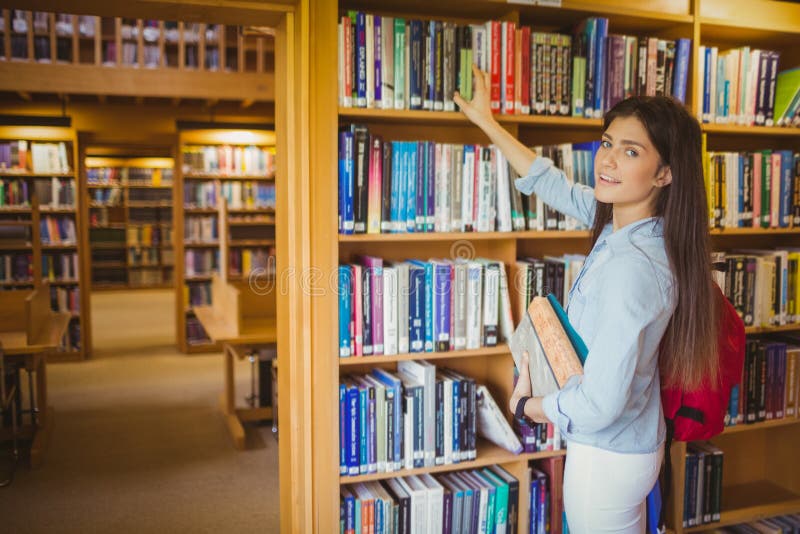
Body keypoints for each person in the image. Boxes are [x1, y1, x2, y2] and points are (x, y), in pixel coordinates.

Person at [454, 64, 720, 533]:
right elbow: (551, 182)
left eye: (630, 150)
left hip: (607, 458)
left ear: (664, 174)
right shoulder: (632, 226)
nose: (608, 160)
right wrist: (487, 123)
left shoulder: (633, 267)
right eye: (607, 143)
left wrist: (528, 408)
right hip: (629, 446)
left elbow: (599, 403)